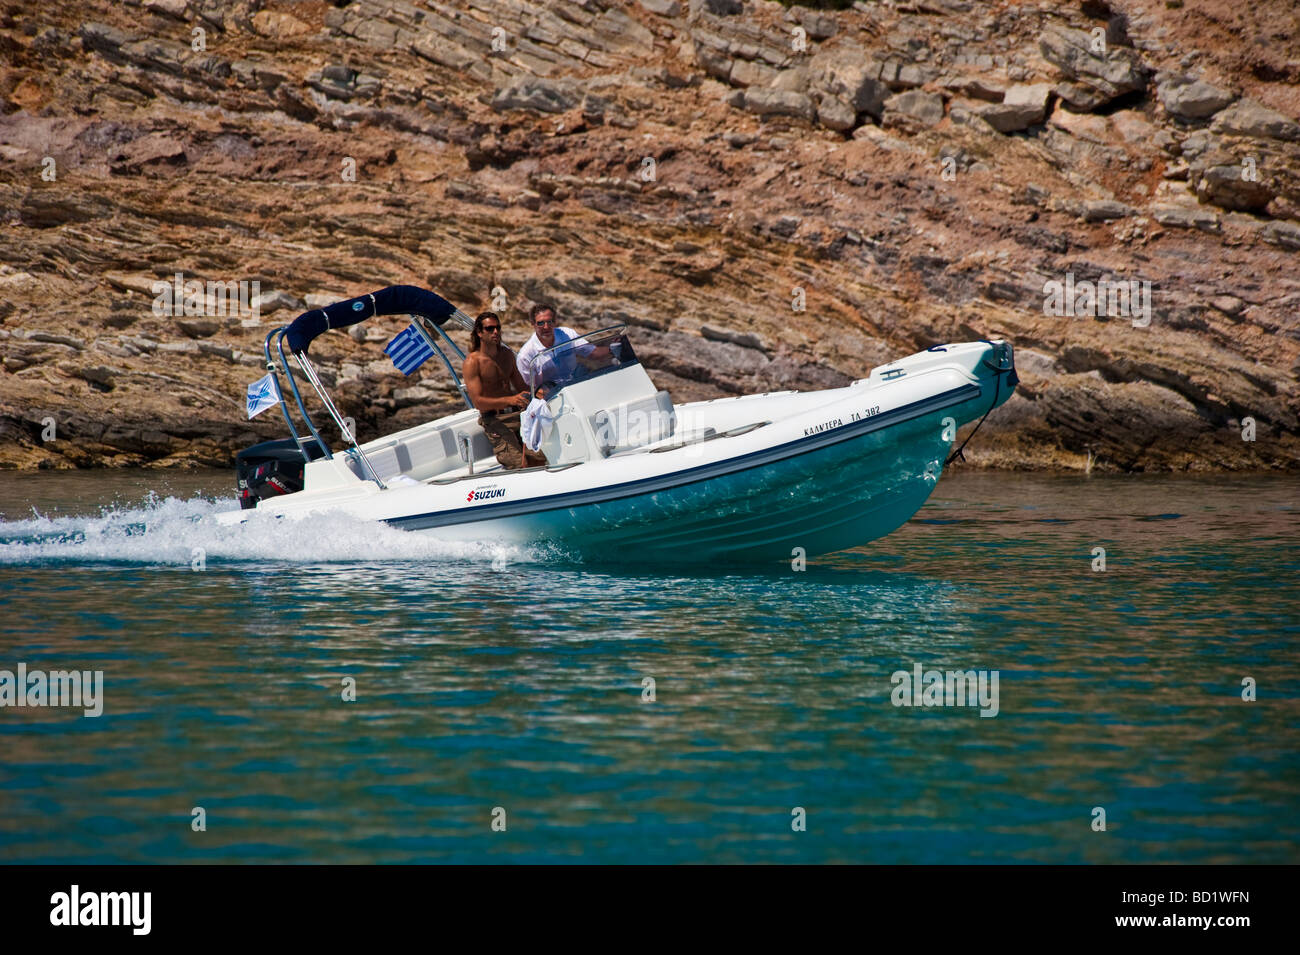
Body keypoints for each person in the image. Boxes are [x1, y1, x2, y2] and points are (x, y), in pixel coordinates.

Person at [461, 311, 544, 470]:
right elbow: (479, 403)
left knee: (540, 459)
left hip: (518, 414)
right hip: (495, 420)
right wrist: (511, 400)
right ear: (479, 333)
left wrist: (542, 393)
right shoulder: (472, 363)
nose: (496, 332)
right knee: (520, 465)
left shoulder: (506, 355)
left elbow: (522, 387)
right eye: (490, 329)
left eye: (498, 328)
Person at [515, 303, 613, 399]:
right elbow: (528, 388)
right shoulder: (525, 355)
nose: (546, 327)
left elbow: (593, 353)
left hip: (578, 385)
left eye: (550, 322)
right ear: (532, 324)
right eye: (541, 323)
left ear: (555, 321)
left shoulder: (567, 334)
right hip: (550, 398)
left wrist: (614, 348)